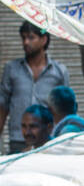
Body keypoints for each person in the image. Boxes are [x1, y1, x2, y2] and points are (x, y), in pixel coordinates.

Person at [0, 22, 71, 154]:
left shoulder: (59, 72)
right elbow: (2, 106)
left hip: (48, 140)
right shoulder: (12, 69)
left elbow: (64, 110)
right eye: (23, 38)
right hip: (19, 139)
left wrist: (63, 137)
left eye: (31, 37)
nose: (26, 42)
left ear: (44, 40)